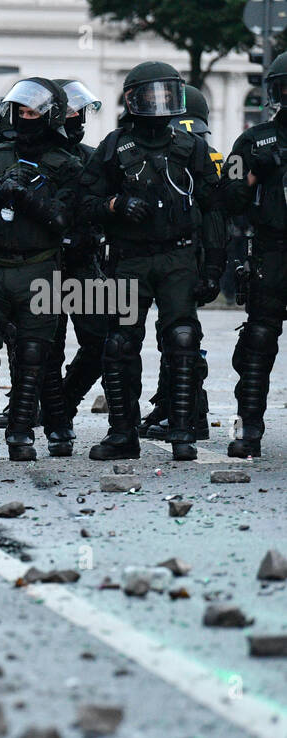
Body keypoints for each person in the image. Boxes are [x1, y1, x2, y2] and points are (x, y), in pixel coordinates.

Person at [80, 62, 224, 462]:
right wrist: (116, 204)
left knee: (182, 340)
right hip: (129, 259)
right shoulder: (113, 147)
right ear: (132, 100)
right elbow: (83, 204)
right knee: (121, 343)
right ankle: (123, 433)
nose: (159, 105)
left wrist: (214, 267)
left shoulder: (190, 148)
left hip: (178, 256)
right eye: (150, 96)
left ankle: (182, 431)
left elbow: (213, 211)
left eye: (167, 95)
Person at [0, 78, 82, 461]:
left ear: (50, 116)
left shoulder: (65, 163)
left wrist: (28, 197)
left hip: (39, 268)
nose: (25, 119)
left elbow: (65, 218)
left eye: (33, 112)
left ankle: (21, 433)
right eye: (21, 111)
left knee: (33, 356)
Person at [224, 55, 287, 457]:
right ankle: (250, 427)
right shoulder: (254, 140)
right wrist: (252, 175)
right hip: (273, 248)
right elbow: (225, 197)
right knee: (260, 338)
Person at [49, 78, 106, 440]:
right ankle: (55, 420)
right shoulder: (31, 155)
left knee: (102, 343)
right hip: (45, 263)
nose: (78, 118)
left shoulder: (92, 157)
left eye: (80, 111)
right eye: (70, 111)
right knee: (45, 350)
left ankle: (65, 402)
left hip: (84, 262)